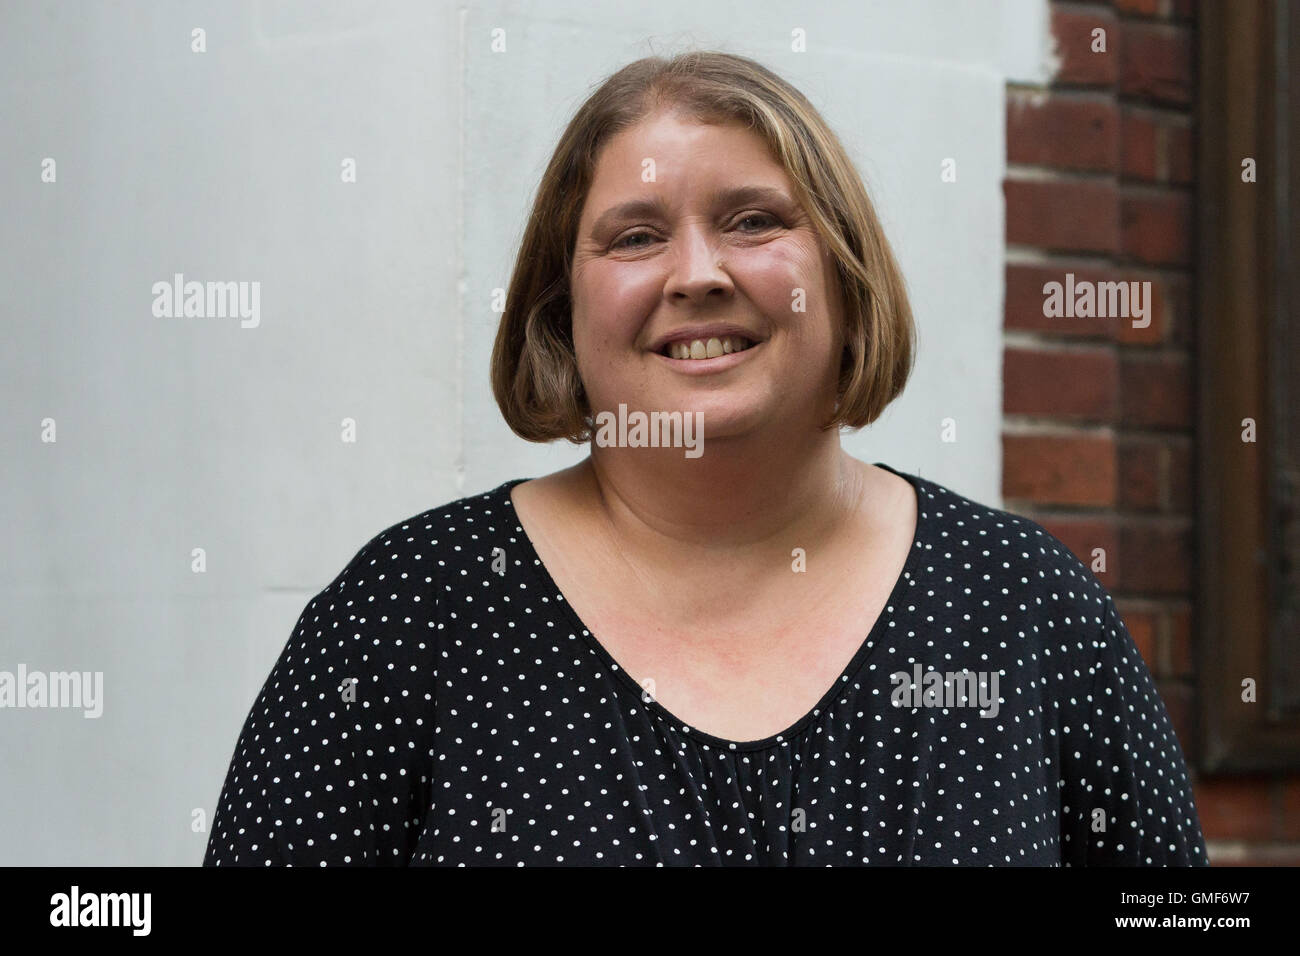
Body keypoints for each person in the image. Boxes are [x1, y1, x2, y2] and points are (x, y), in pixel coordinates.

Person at [204, 50, 1207, 866]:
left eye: (753, 220)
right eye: (635, 237)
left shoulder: (1021, 603)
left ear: (846, 275)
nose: (696, 274)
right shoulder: (411, 613)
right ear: (564, 310)